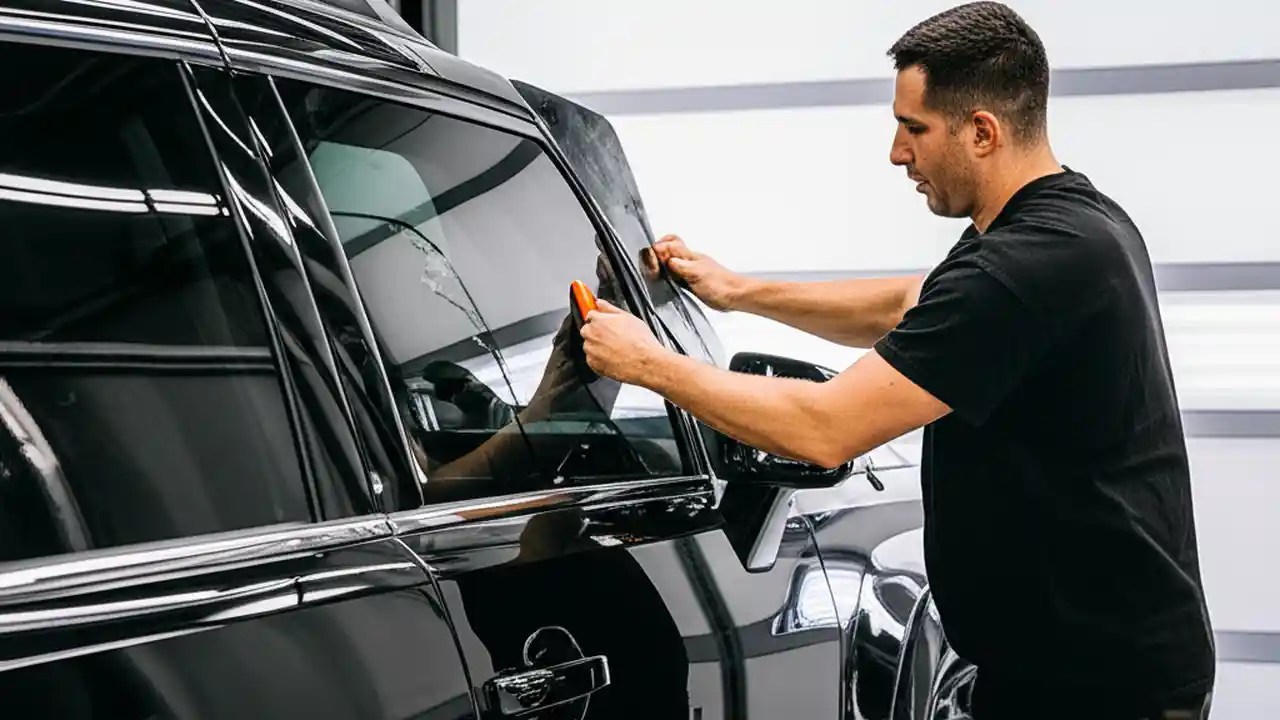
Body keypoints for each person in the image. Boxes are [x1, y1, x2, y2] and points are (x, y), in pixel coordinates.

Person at [579, 2, 1215, 718]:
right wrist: (736, 290)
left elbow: (824, 428)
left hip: (1097, 691)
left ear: (982, 131)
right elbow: (906, 304)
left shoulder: (1028, 264)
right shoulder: (1064, 223)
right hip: (1089, 667)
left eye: (913, 128)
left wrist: (648, 364)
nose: (896, 153)